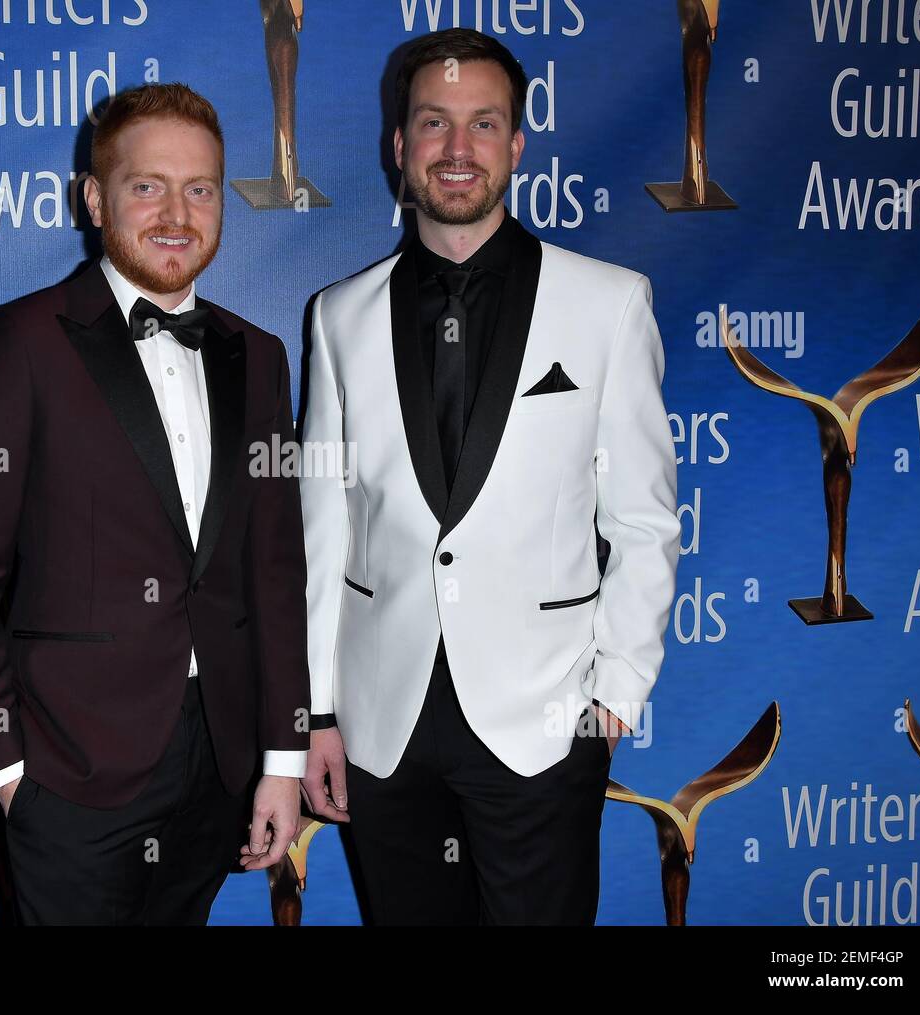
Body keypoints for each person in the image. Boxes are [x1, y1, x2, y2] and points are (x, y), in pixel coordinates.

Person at [299, 28, 681, 925]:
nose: (458, 150)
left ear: (516, 144)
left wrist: (615, 697)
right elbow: (322, 529)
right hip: (381, 722)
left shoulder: (608, 302)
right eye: (434, 123)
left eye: (483, 124)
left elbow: (645, 517)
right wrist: (315, 712)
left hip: (546, 715)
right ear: (400, 146)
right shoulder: (338, 317)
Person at [0, 83, 309, 925]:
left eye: (200, 188)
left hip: (220, 764)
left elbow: (276, 571)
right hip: (67, 770)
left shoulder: (263, 357)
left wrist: (282, 753)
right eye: (148, 186)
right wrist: (4, 769)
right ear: (94, 199)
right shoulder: (17, 343)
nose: (177, 212)